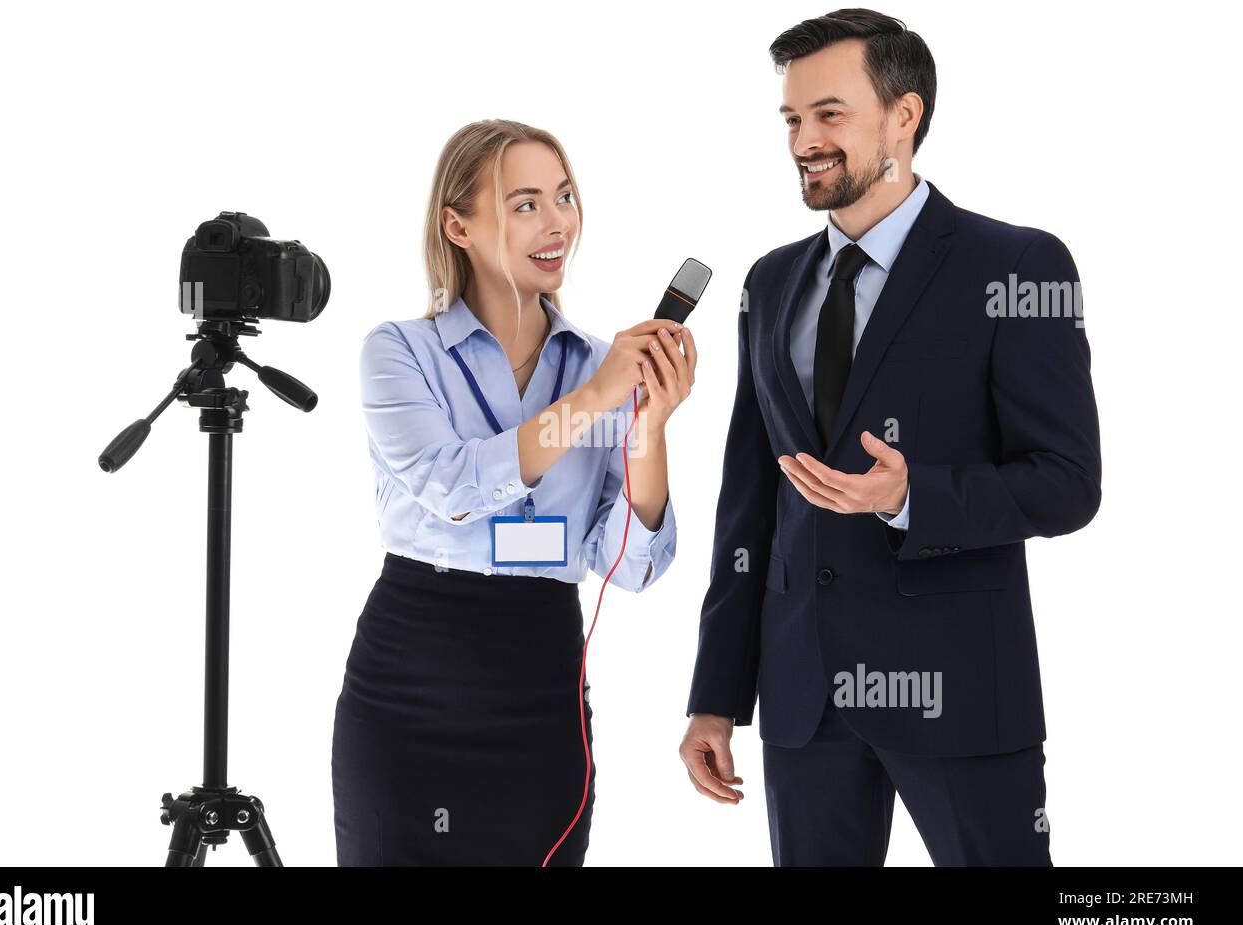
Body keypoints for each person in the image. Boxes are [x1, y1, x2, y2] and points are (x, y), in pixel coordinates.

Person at [681, 10, 1100, 866]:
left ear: (903, 116)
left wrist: (914, 498)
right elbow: (747, 507)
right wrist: (716, 695)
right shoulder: (769, 281)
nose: (804, 140)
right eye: (793, 120)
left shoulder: (1016, 267)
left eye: (829, 115)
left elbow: (1067, 482)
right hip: (801, 701)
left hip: (959, 692)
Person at [333, 119, 697, 866]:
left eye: (565, 197)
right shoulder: (399, 351)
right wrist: (597, 399)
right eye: (526, 203)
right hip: (412, 688)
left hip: (541, 694)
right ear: (456, 224)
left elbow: (630, 566)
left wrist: (648, 426)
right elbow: (453, 488)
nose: (558, 221)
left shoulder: (603, 365)